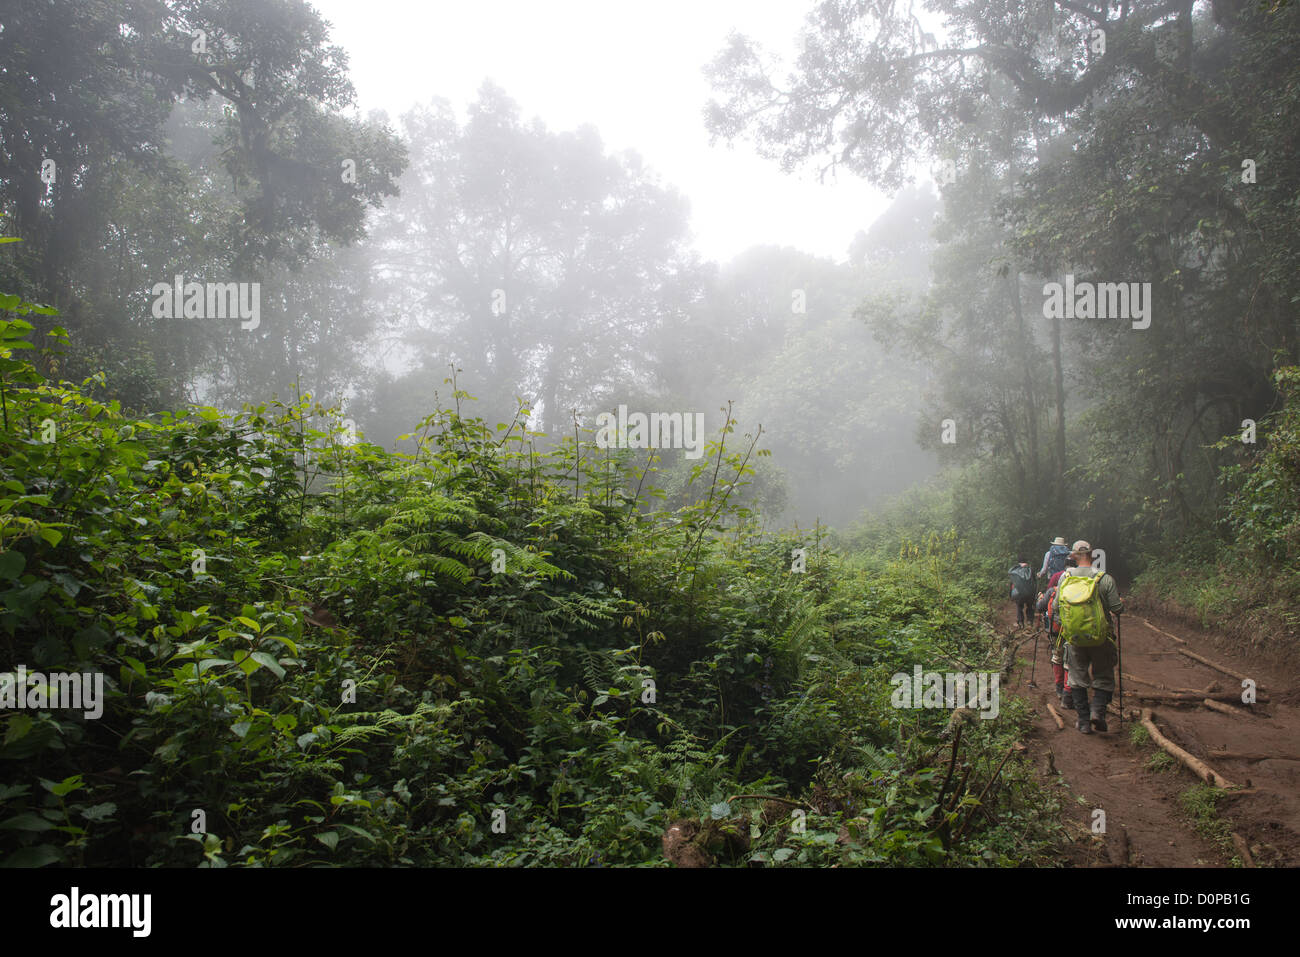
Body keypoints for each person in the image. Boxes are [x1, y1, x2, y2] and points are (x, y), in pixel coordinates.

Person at [1051, 541, 1123, 734]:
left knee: (1076, 677)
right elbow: (1117, 609)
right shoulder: (1104, 579)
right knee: (1104, 676)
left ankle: (1083, 721)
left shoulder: (1064, 578)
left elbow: (1056, 608)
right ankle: (1097, 712)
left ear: (1073, 556)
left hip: (1074, 637)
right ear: (1092, 555)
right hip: (1101, 638)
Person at [1043, 557, 1076, 710]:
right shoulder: (1087, 577)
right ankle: (1068, 691)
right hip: (1080, 624)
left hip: (1060, 624)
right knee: (1071, 659)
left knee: (1058, 654)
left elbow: (1054, 603)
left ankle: (1059, 688)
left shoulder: (1058, 576)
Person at [1008, 559, 1037, 627]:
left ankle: (1020, 622)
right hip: (1030, 594)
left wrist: (1010, 595)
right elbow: (1035, 583)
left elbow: (1012, 585)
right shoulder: (1031, 570)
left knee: (1019, 607)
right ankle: (1030, 622)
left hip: (1019, 594)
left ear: (1019, 563)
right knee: (1030, 606)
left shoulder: (1015, 571)